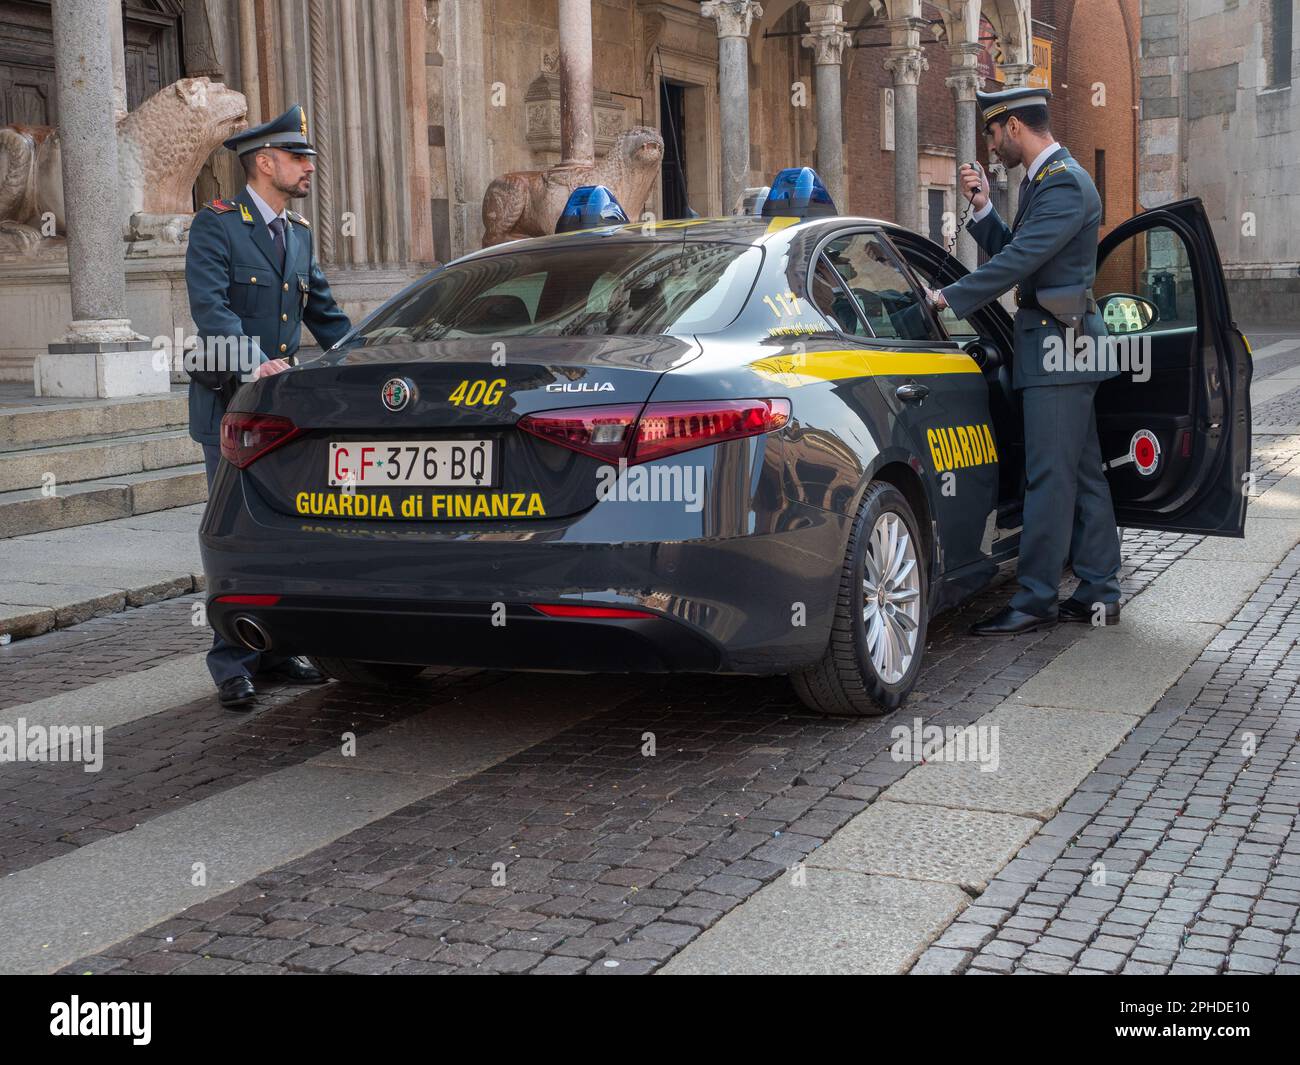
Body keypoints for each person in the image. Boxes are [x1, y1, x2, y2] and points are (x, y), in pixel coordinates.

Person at [925, 87, 1122, 636]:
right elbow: (1026, 247)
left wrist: (950, 296)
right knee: (1082, 476)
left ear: (1013, 126)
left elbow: (1020, 259)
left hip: (1060, 348)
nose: (992, 148)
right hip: (1064, 345)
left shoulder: (1061, 182)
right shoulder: (1048, 180)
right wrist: (984, 209)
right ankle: (1100, 589)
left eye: (993, 134)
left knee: (1048, 480)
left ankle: (1035, 599)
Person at [185, 104, 353, 707]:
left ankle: (278, 647)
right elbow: (212, 309)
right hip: (233, 409)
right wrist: (255, 360)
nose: (309, 167)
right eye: (298, 157)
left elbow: (326, 315)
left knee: (285, 529)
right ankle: (231, 660)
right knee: (238, 533)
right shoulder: (217, 225)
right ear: (265, 162)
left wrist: (366, 358)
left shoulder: (299, 234)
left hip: (283, 416)